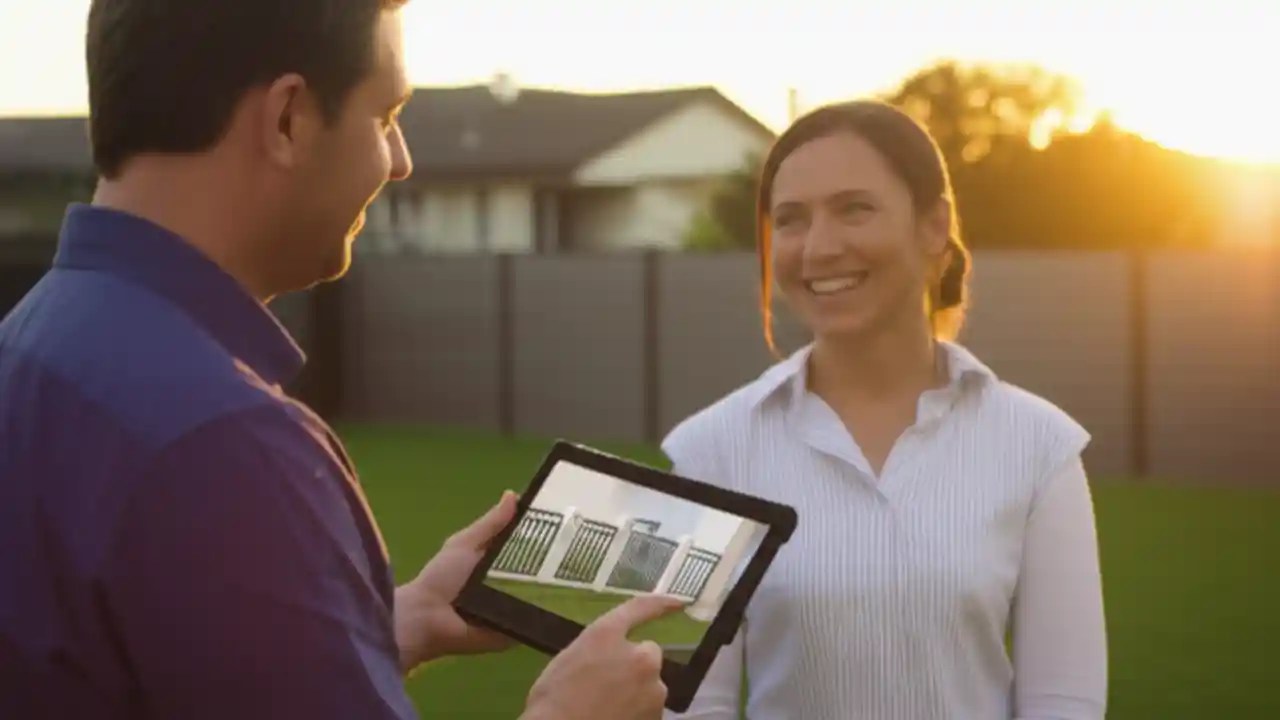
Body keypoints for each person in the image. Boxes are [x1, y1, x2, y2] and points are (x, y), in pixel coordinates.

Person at [0, 1, 681, 718]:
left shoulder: (33, 342)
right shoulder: (224, 442)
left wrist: (403, 620)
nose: (401, 160)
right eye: (385, 117)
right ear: (289, 118)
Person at [661, 101, 1108, 719]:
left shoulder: (1039, 446)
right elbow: (693, 706)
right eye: (791, 219)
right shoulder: (710, 451)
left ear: (933, 226)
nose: (818, 247)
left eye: (855, 208)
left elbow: (1064, 702)